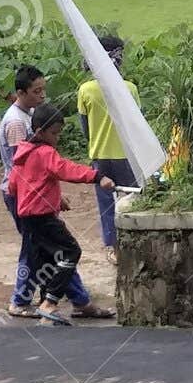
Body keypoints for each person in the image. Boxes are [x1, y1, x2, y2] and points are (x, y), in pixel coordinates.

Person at [0, 65, 110, 320]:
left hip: (31, 204)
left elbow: (20, 175)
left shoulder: (30, 135)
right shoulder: (20, 126)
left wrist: (49, 196)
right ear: (20, 92)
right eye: (36, 91)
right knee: (61, 253)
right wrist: (96, 176)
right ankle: (41, 302)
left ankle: (73, 301)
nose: (42, 96)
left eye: (43, 90)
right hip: (35, 207)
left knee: (48, 254)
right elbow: (61, 169)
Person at [77, 34, 139, 263]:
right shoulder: (130, 89)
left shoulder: (86, 90)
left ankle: (113, 247)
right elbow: (136, 124)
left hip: (100, 155)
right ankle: (134, 240)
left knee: (106, 205)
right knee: (134, 199)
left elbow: (85, 128)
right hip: (127, 155)